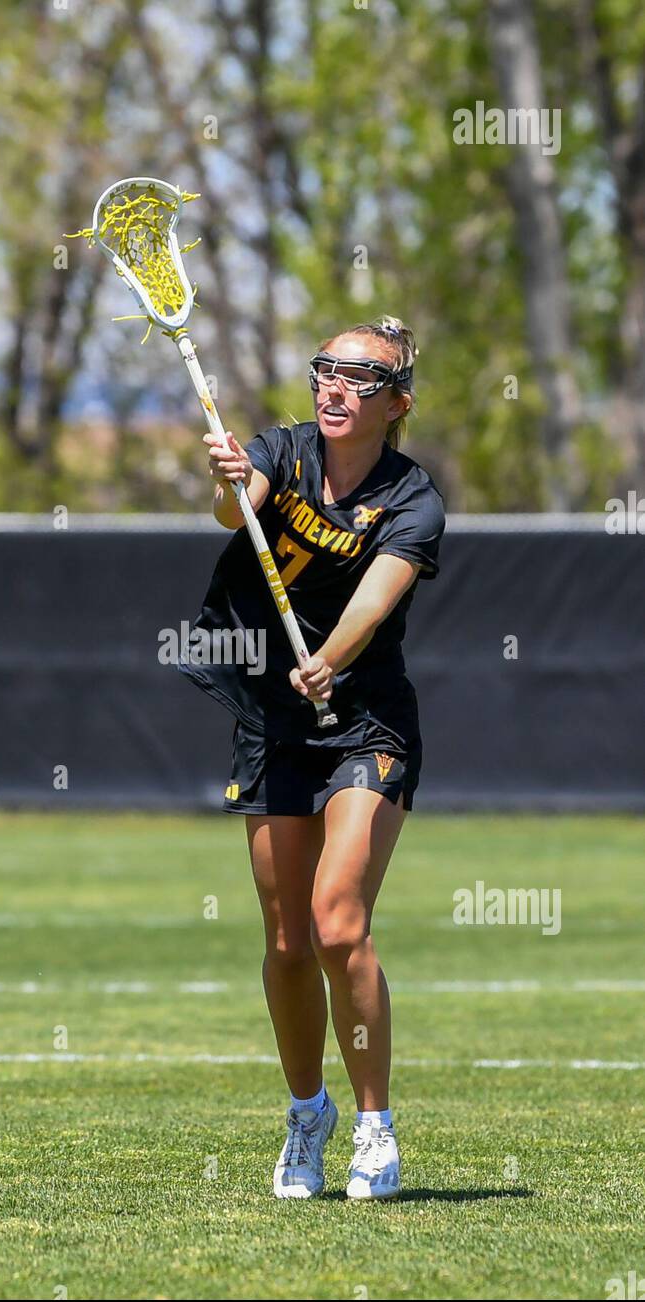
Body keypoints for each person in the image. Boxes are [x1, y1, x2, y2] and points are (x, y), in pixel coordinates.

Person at [178, 316, 445, 1199]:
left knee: (338, 921)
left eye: (358, 378)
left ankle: (375, 1125)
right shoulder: (282, 452)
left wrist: (330, 660)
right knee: (289, 943)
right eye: (325, 370)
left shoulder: (413, 499)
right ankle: (307, 1113)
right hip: (272, 717)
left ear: (395, 402)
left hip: (364, 720)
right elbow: (237, 503)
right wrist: (228, 485)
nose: (334, 387)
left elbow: (376, 597)